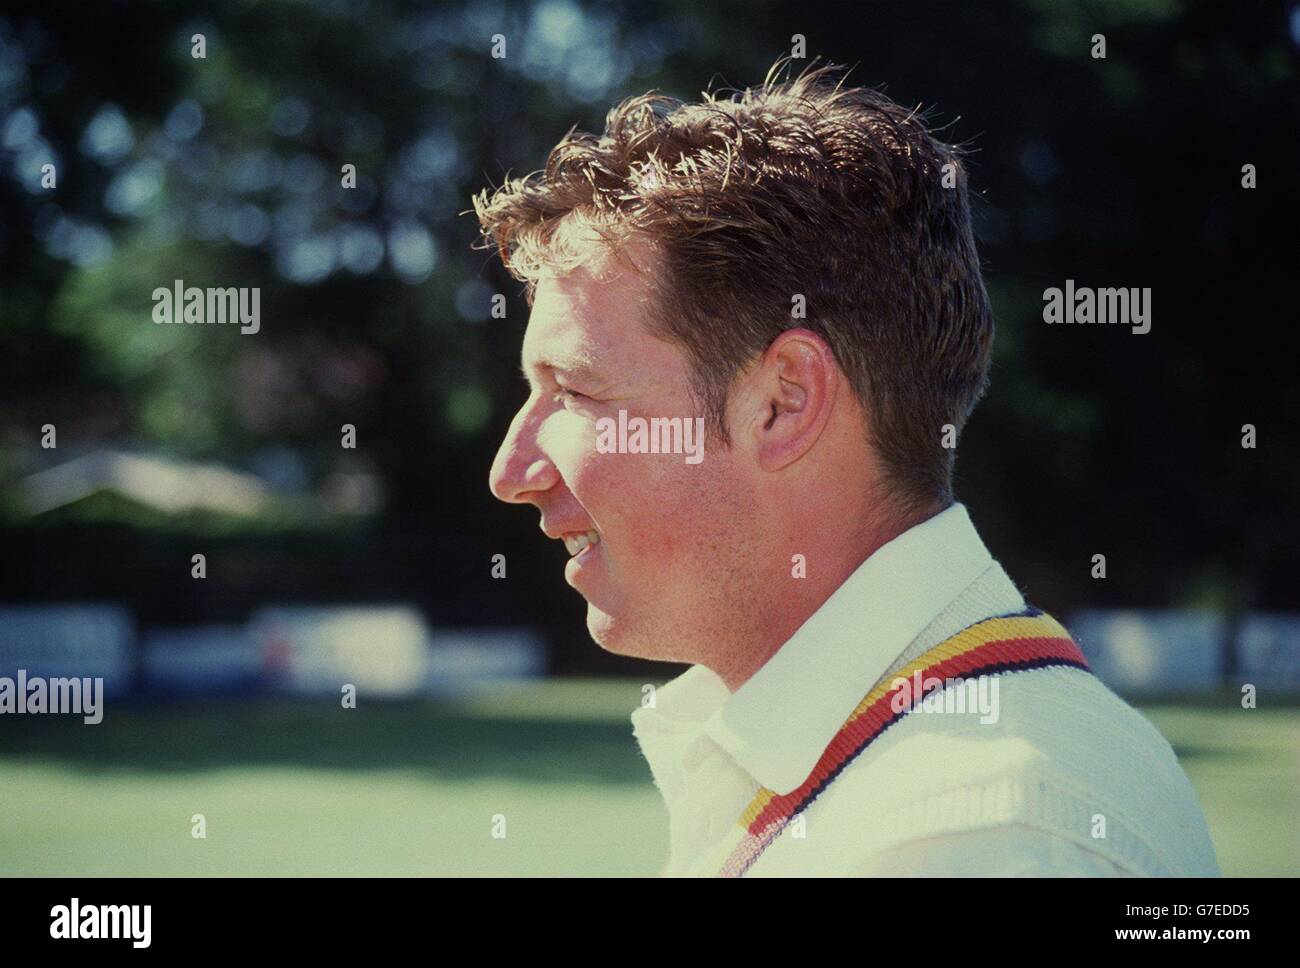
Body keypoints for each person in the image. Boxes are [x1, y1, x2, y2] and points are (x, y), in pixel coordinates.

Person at [472, 61, 1220, 876]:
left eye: (576, 391)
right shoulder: (927, 768)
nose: (511, 471)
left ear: (784, 403)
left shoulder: (960, 835)